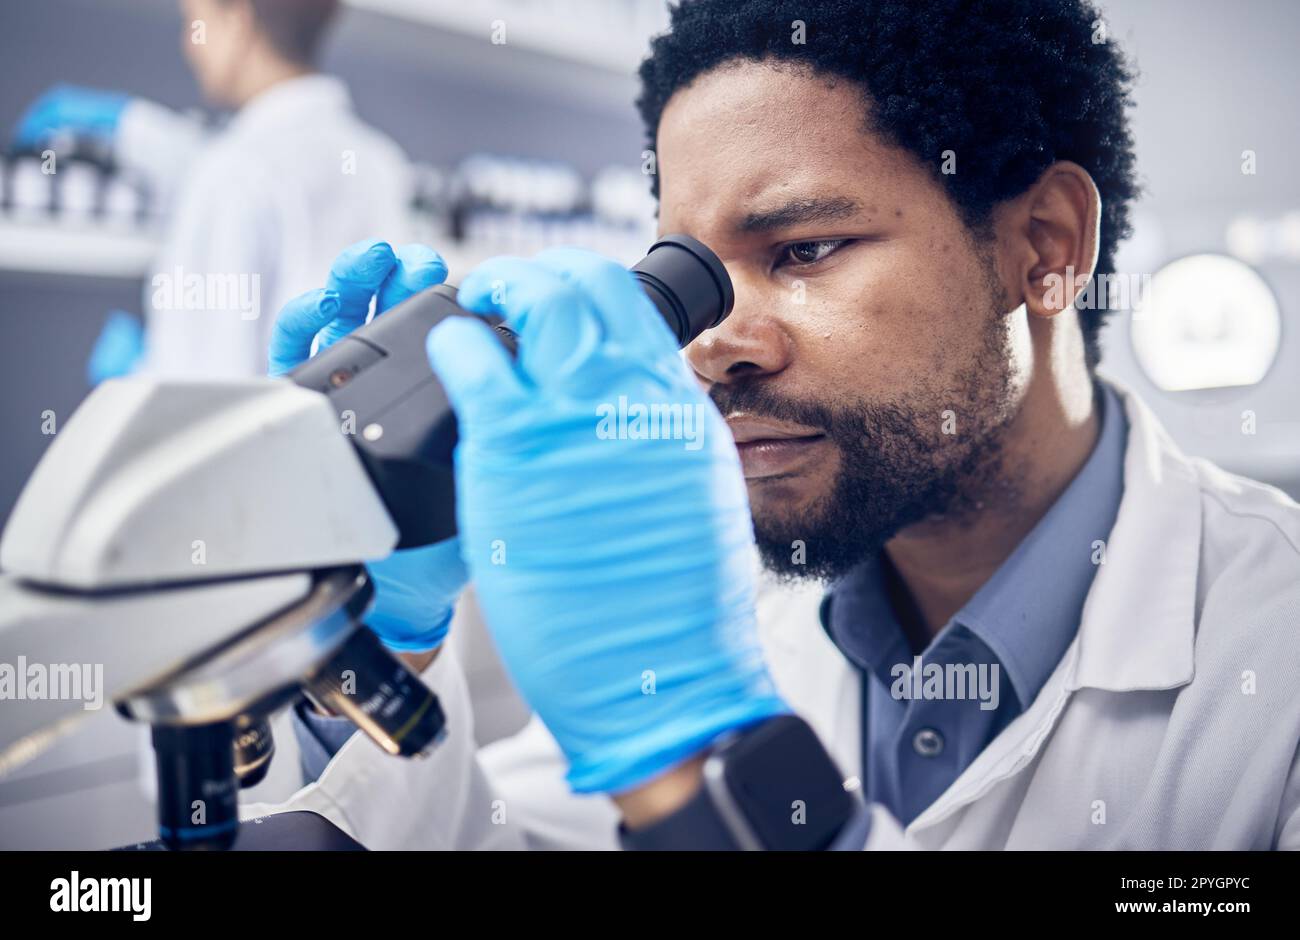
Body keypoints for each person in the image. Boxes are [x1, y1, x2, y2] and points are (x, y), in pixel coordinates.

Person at [245, 0, 1300, 849]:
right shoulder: (732, 598)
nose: (713, 344)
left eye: (802, 250)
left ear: (1045, 244)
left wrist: (705, 758)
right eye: (689, 279)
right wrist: (376, 656)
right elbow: (503, 833)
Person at [15, 0, 411, 379]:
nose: (189, 42)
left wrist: (136, 375)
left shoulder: (230, 171)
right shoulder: (379, 160)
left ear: (237, 20)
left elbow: (196, 398)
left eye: (194, 21)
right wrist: (135, 124)